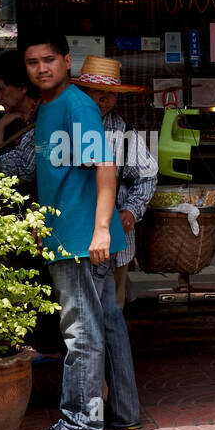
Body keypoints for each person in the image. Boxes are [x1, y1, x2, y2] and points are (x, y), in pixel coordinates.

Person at [21, 33, 141, 430]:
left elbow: (104, 168)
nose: (41, 68)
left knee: (81, 331)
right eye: (33, 62)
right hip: (68, 233)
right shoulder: (49, 106)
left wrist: (102, 229)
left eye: (49, 59)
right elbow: (57, 174)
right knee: (106, 324)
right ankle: (124, 412)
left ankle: (80, 421)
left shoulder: (75, 104)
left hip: (81, 239)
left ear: (67, 61)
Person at [72, 55, 155, 307]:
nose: (105, 100)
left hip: (114, 240)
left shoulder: (125, 134)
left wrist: (132, 208)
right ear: (83, 93)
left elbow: (148, 175)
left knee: (111, 307)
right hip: (71, 234)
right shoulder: (63, 126)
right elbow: (26, 164)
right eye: (98, 93)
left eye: (111, 94)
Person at [0, 53, 39, 168]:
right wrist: (1, 126)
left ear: (22, 88)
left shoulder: (43, 114)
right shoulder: (11, 119)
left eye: (1, 89)